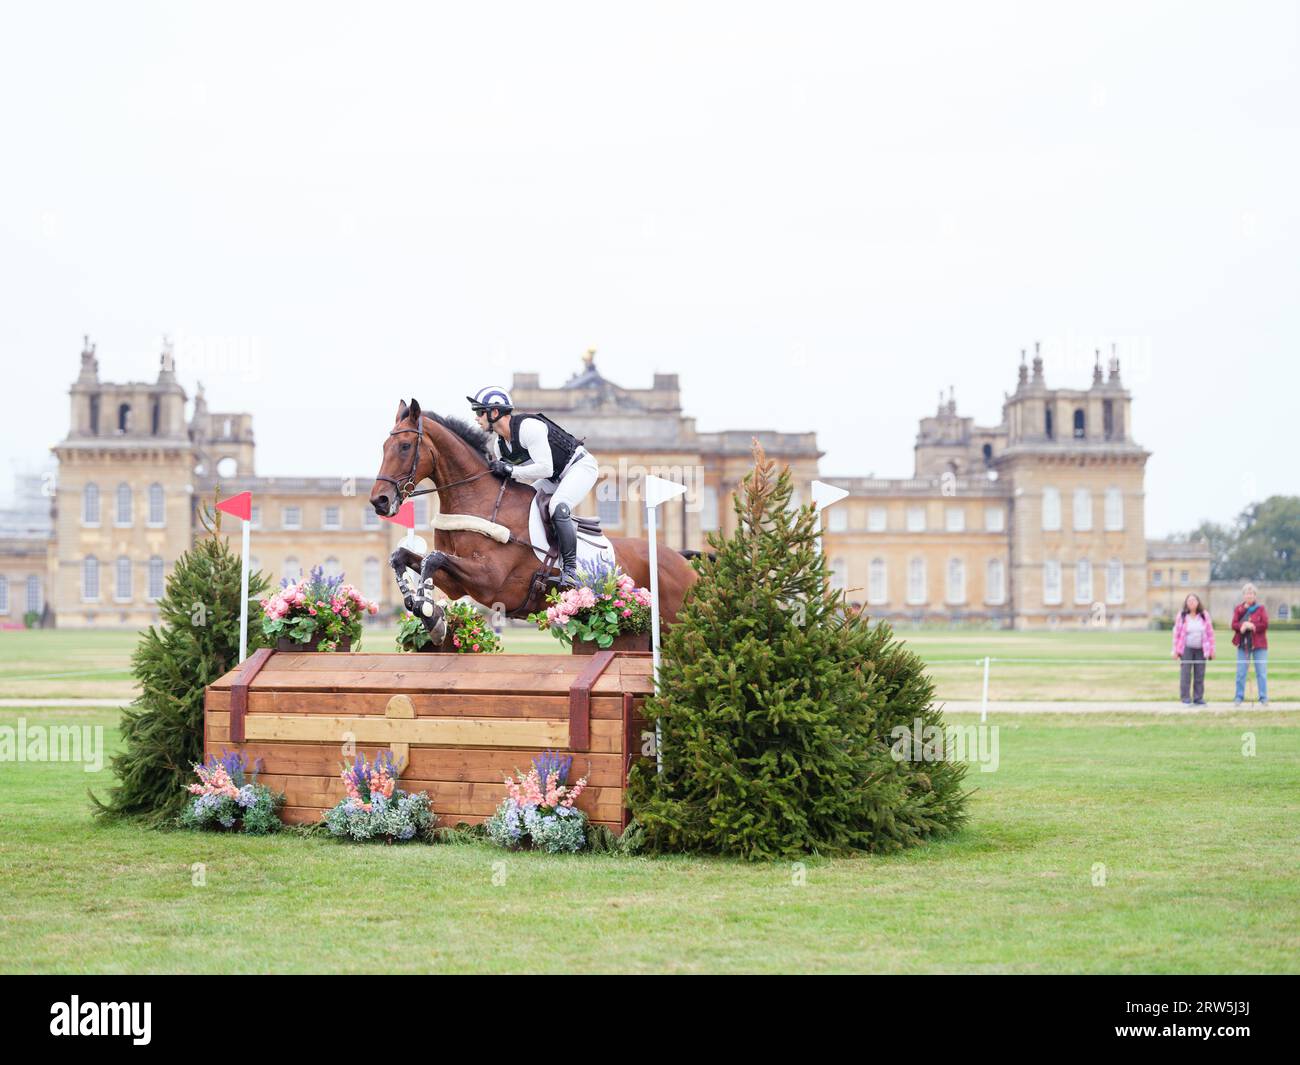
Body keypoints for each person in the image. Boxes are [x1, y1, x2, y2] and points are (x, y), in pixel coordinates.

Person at [467, 385, 599, 587]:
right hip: (555, 477)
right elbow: (508, 483)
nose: (476, 418)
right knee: (523, 506)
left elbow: (545, 469)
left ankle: (571, 571)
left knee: (557, 506)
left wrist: (510, 470)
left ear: (494, 412)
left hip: (579, 468)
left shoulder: (529, 427)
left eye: (479, 412)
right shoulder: (499, 445)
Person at [1170, 593, 1214, 705]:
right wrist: (1175, 650)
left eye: (1194, 600)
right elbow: (1176, 633)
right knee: (1185, 674)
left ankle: (1198, 698)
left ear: (1198, 602)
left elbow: (1210, 633)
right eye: (1189, 601)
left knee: (1199, 673)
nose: (1191, 603)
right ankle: (1185, 698)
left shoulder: (1204, 615)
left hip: (1201, 648)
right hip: (1186, 648)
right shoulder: (1182, 615)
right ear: (1186, 603)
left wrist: (1212, 650)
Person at [1230, 582, 1269, 706]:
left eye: (1251, 593)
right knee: (1241, 672)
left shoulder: (1261, 609)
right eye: (1247, 593)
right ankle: (1238, 697)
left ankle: (1263, 698)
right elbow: (1233, 624)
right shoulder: (1239, 609)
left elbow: (1265, 624)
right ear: (1243, 595)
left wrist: (1252, 626)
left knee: (1261, 672)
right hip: (1243, 644)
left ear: (1255, 595)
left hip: (1259, 645)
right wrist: (1242, 625)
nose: (1249, 595)